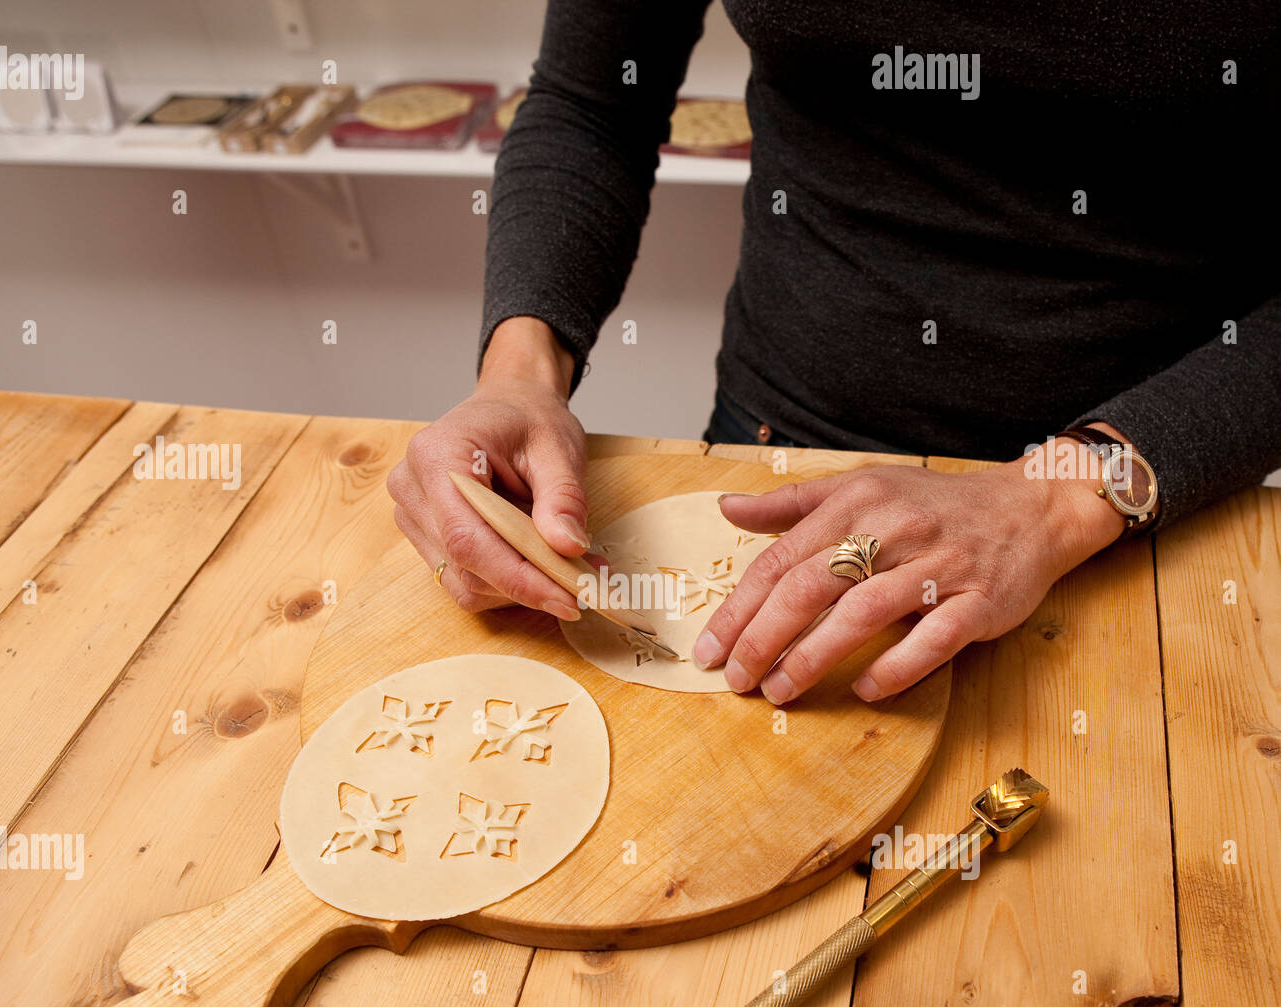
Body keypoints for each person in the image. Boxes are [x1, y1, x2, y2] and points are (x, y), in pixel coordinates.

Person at [388, 1, 1280, 704]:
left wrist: (1055, 500)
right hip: (786, 453)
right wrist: (518, 376)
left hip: (1148, 490)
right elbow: (591, 101)